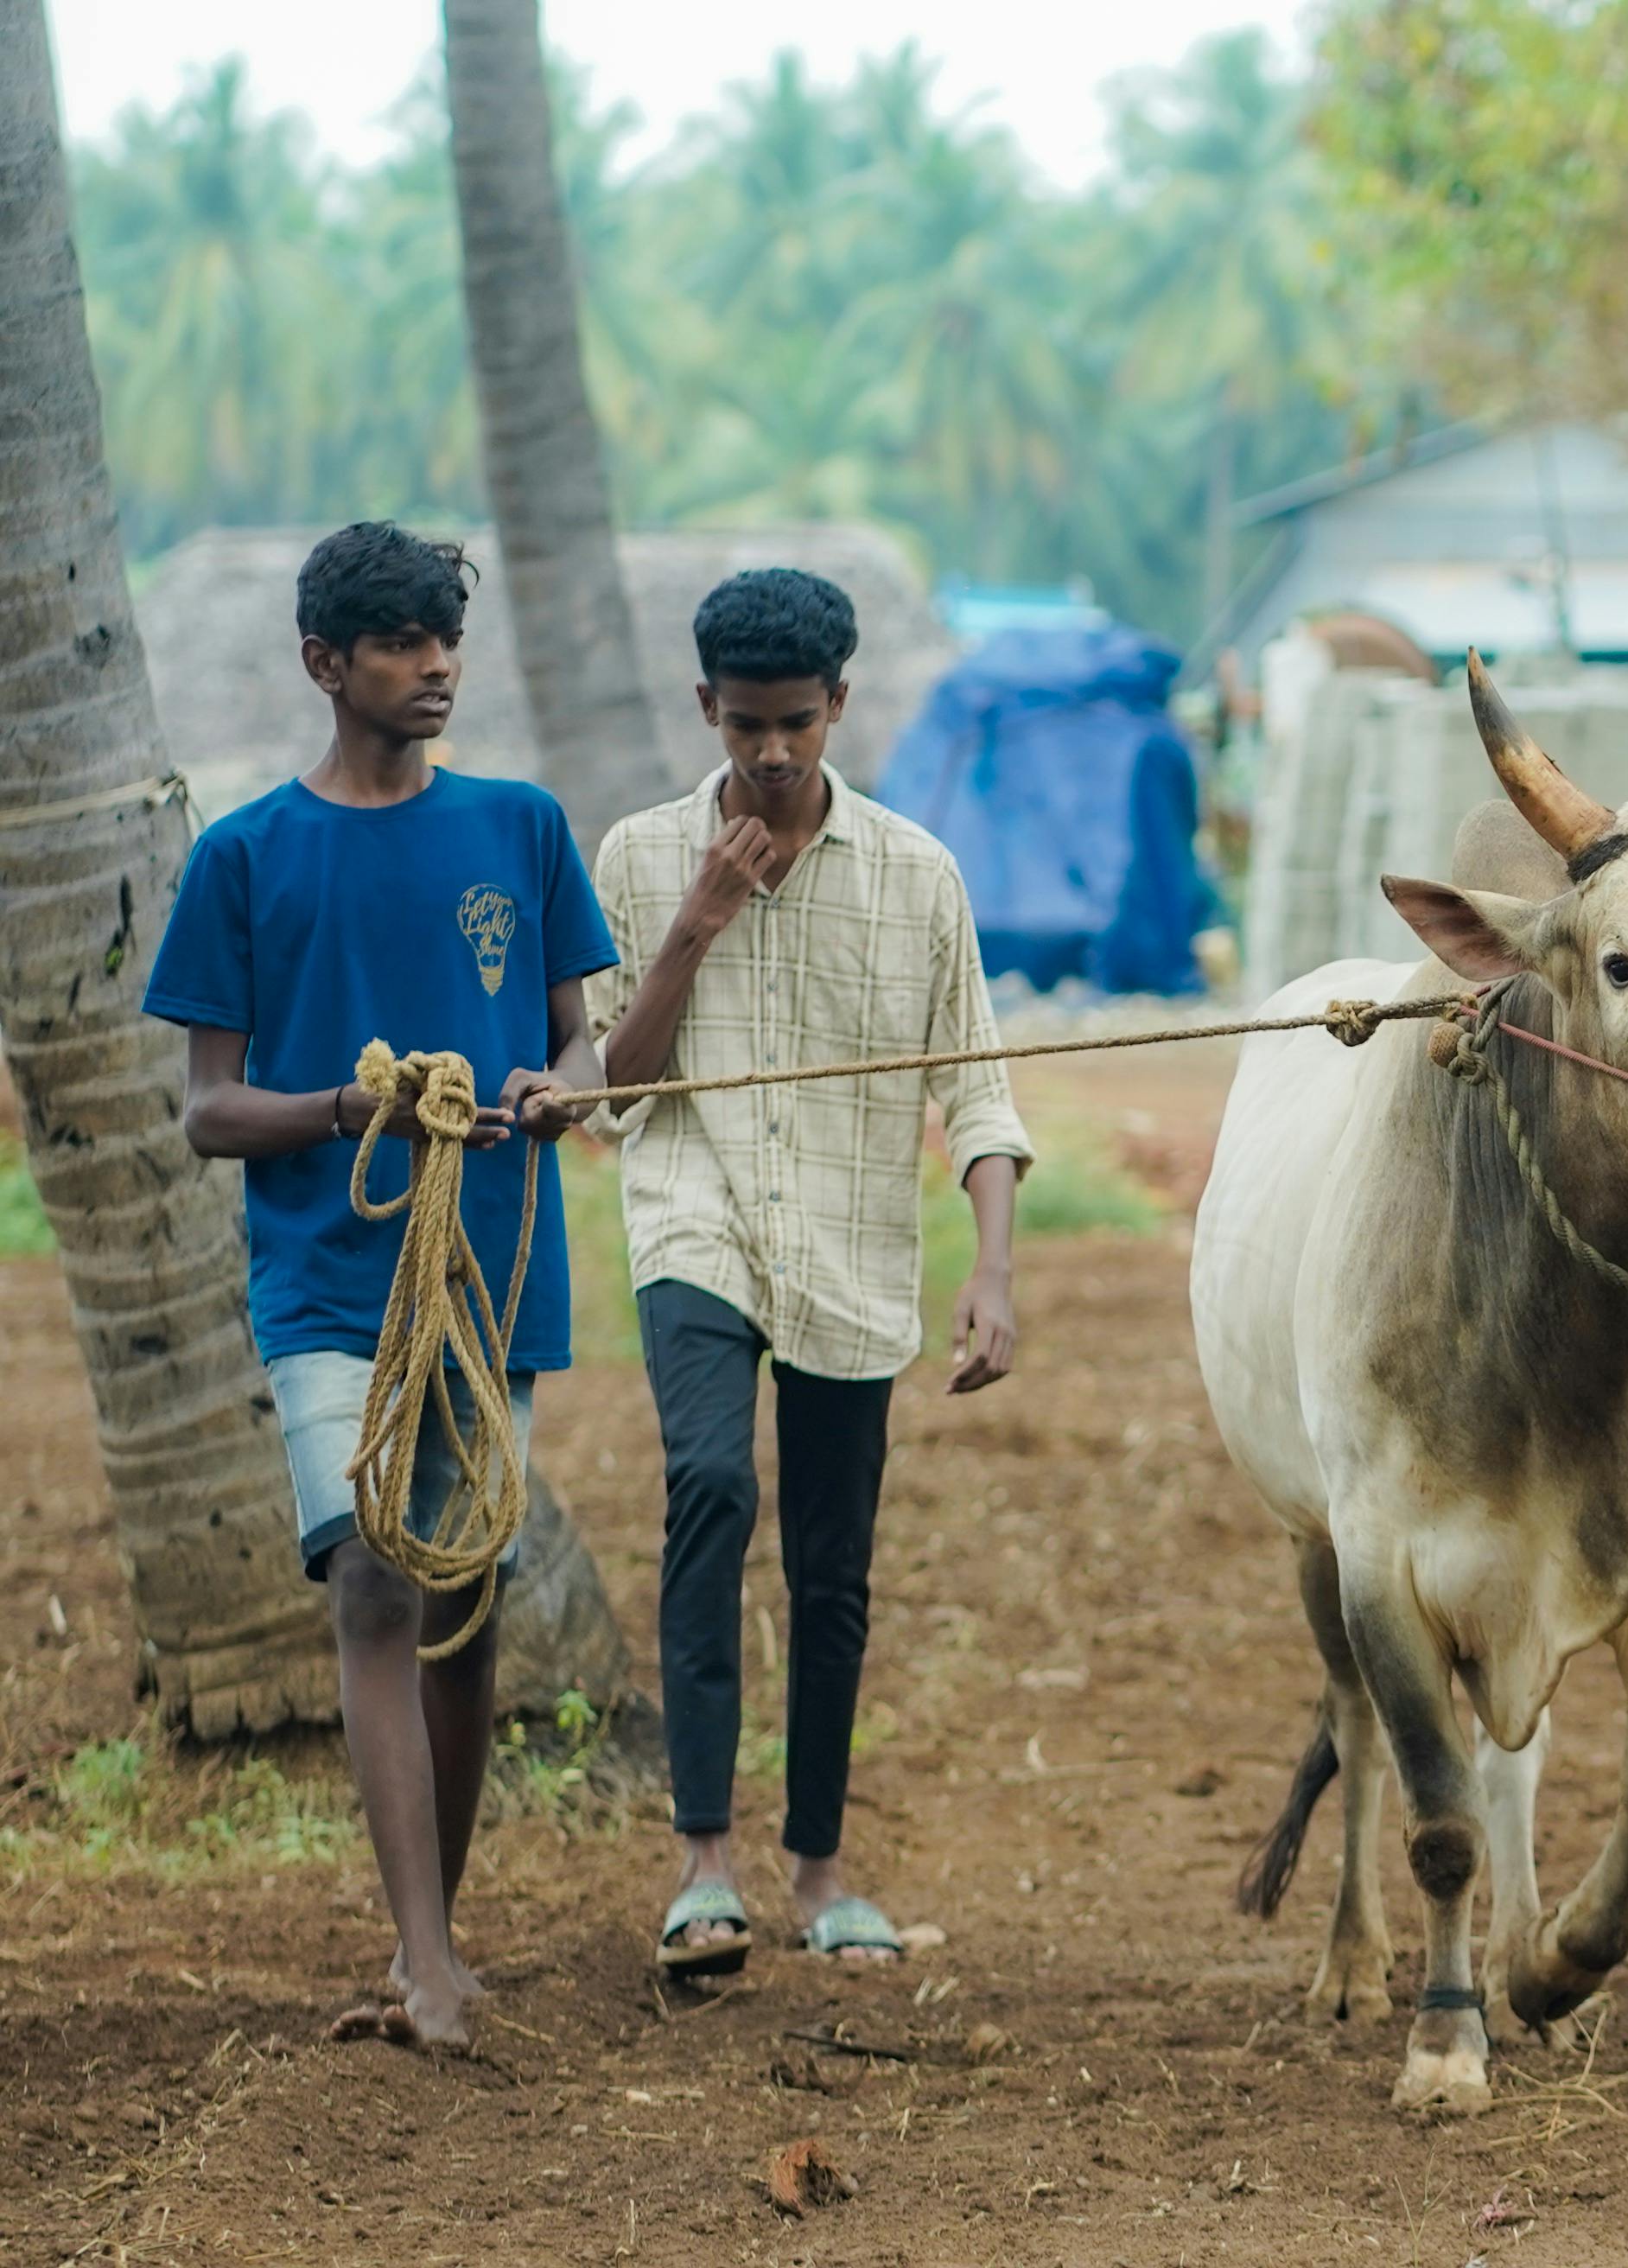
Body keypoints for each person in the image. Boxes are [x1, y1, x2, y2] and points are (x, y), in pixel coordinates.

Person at [145, 522, 614, 2048]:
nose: (435, 668)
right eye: (402, 645)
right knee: (372, 1575)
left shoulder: (521, 828)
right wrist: (352, 1110)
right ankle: (426, 1959)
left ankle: (436, 1939)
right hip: (327, 1282)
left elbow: (579, 1042)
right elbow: (210, 1111)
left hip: (492, 1280)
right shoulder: (244, 857)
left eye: (445, 640)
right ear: (324, 665)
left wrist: (556, 1086)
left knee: (465, 1594)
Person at [587, 567, 1031, 1974]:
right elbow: (612, 1091)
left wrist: (993, 1269)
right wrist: (696, 921)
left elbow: (979, 1091)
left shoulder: (917, 876)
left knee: (833, 1567)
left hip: (851, 1250)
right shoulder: (638, 858)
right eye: (746, 726)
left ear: (839, 703)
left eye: (797, 722)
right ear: (705, 709)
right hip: (695, 1216)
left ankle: (821, 1871)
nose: (772, 753)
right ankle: (703, 1865)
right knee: (712, 1487)